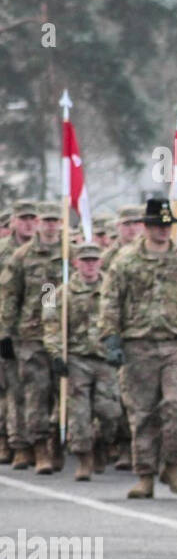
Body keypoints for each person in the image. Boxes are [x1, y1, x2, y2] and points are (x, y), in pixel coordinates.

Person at [98, 198, 177, 498]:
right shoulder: (125, 261)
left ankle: (173, 466)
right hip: (139, 345)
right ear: (146, 227)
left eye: (166, 226)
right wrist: (111, 338)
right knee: (142, 413)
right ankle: (145, 474)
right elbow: (110, 301)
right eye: (156, 225)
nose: (162, 231)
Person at [42, 242, 122, 481]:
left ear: (100, 262)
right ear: (76, 263)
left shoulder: (112, 289)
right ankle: (83, 457)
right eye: (84, 260)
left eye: (93, 260)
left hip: (105, 359)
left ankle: (101, 444)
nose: (89, 265)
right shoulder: (60, 292)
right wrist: (56, 353)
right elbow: (51, 325)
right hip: (76, 359)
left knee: (110, 412)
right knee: (79, 413)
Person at [0, 200, 64, 473]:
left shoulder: (70, 254)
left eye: (53, 220)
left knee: (61, 393)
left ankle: (61, 444)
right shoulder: (21, 256)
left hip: (64, 335)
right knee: (29, 391)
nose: (48, 225)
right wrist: (4, 332)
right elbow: (10, 295)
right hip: (30, 333)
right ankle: (30, 446)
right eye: (43, 220)